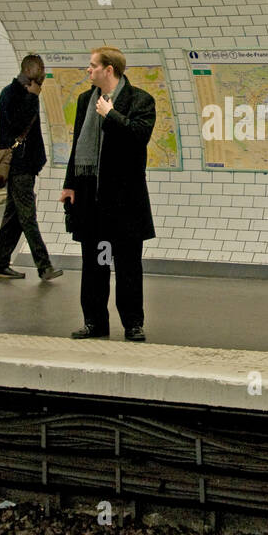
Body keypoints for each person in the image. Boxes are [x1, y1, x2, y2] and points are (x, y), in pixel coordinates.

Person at [61, 47, 156, 342]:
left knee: (128, 264)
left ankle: (132, 323)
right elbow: (78, 145)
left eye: (92, 66)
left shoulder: (140, 100)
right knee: (94, 264)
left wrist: (111, 115)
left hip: (125, 200)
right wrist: (69, 184)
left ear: (109, 70)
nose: (88, 71)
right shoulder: (84, 101)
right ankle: (94, 321)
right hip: (93, 199)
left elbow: (138, 138)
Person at [0, 55, 63, 282]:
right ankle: (44, 266)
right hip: (19, 165)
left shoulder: (23, 93)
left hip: (26, 165)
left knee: (13, 216)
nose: (43, 77)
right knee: (27, 217)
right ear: (30, 71)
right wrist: (32, 98)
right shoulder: (13, 94)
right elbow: (15, 125)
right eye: (41, 72)